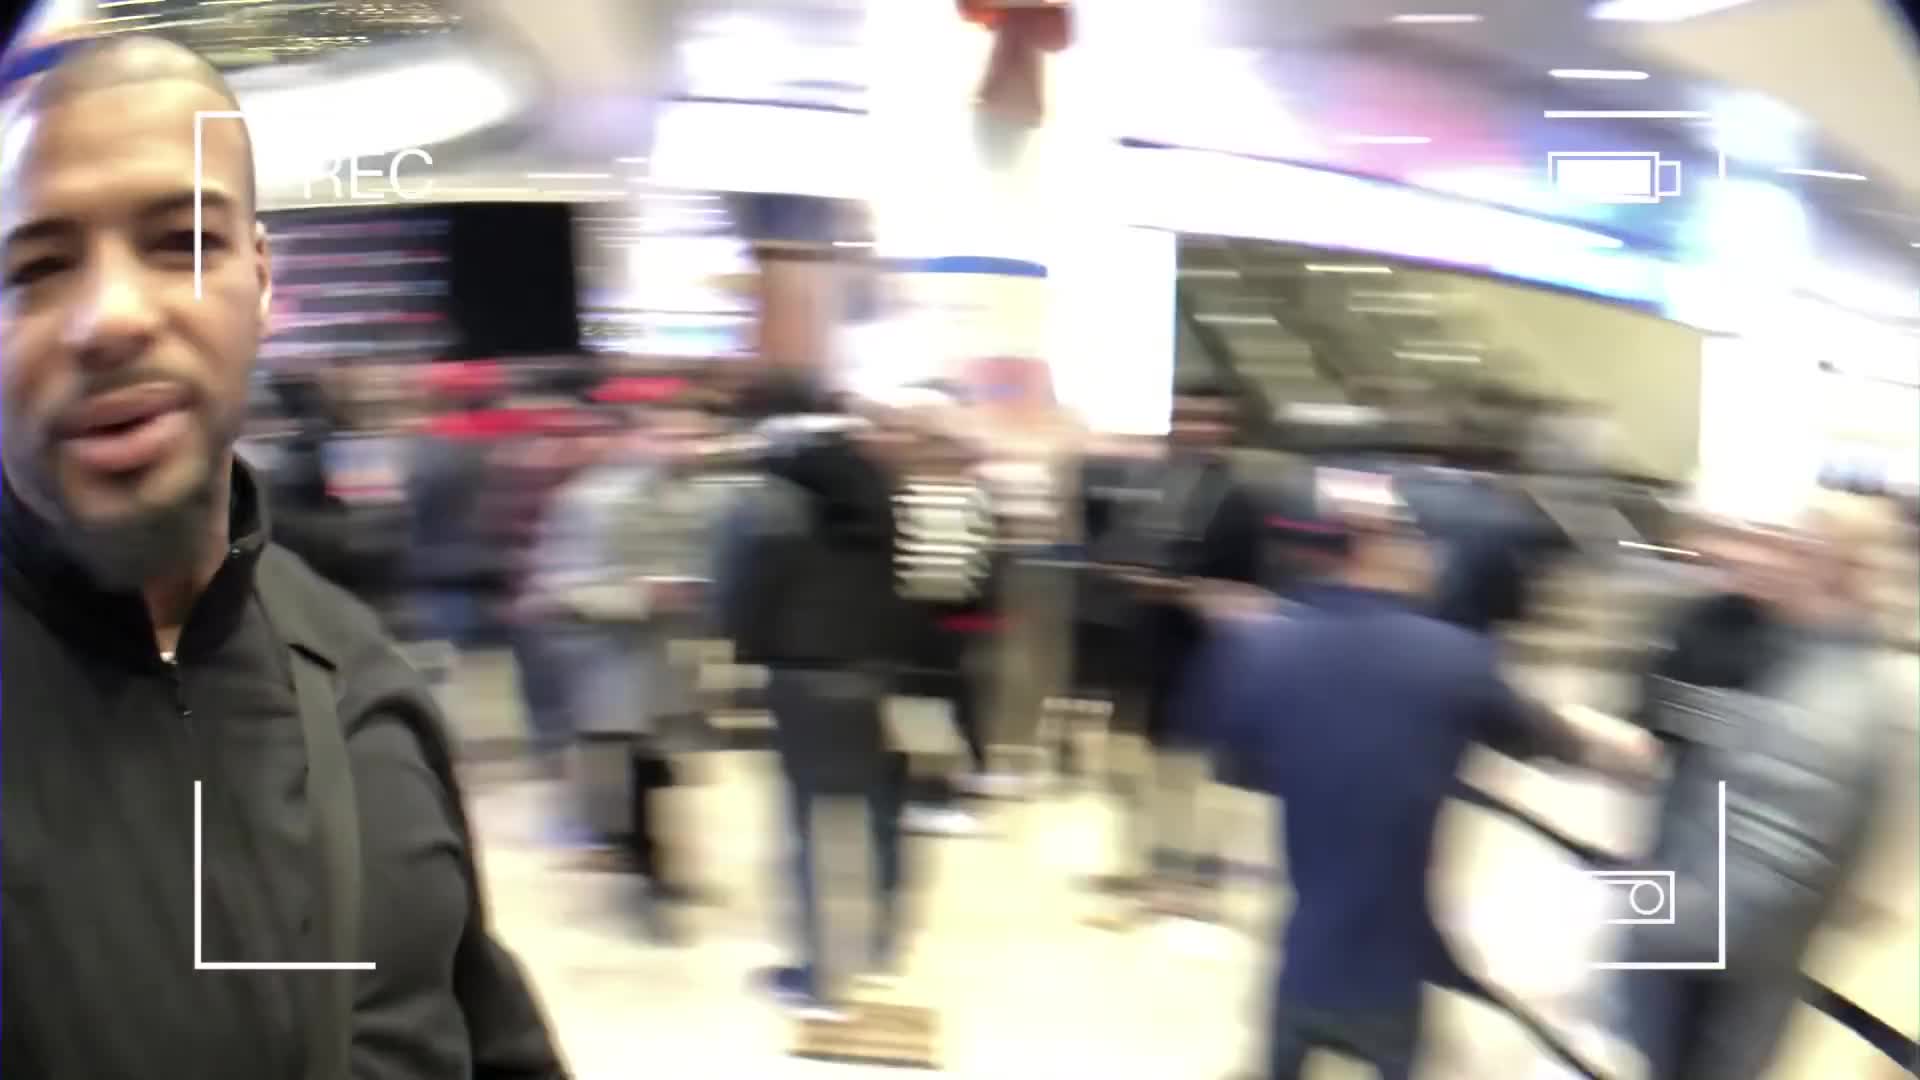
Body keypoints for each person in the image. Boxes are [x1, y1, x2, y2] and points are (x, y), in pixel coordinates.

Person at [0, 36, 564, 1078]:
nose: (111, 317)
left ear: (261, 283)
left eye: (183, 241)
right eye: (36, 265)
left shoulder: (364, 685)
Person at [1190, 468, 1655, 1079]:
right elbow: (1542, 737)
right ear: (1378, 547)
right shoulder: (1451, 657)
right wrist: (1620, 746)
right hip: (1389, 967)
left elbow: (1236, 763)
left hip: (1301, 961)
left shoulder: (1257, 646)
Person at [1606, 507, 1899, 1080]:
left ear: (1829, 570)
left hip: (1711, 1012)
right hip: (1707, 997)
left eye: (1792, 547)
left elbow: (1730, 916)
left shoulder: (1824, 709)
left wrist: (1630, 897)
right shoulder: (1793, 666)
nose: (1772, 562)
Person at [713, 371, 907, 1013]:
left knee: (806, 829)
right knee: (877, 815)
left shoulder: (772, 493)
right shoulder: (874, 482)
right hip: (872, 668)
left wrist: (740, 650)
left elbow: (741, 595)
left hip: (801, 675)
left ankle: (821, 979)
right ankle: (880, 948)